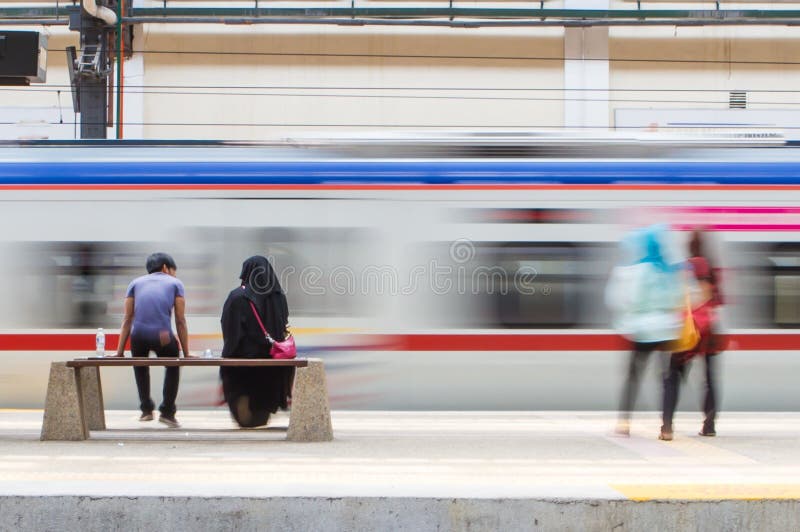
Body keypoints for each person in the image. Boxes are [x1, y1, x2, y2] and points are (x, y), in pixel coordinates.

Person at [606, 225, 683, 436]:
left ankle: (624, 423)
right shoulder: (670, 269)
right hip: (668, 329)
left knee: (633, 375)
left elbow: (626, 299)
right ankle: (667, 427)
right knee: (668, 378)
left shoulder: (636, 270)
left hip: (642, 330)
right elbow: (682, 297)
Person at [661, 229, 725, 440]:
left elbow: (675, 297)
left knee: (672, 377)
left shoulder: (684, 268)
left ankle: (667, 427)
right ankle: (709, 425)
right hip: (708, 330)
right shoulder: (712, 268)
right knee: (709, 379)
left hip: (687, 329)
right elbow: (717, 300)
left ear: (689, 246)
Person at [113, 252, 190, 428]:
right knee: (173, 365)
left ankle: (146, 410)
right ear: (165, 267)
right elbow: (180, 320)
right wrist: (186, 353)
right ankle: (167, 412)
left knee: (140, 367)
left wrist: (119, 352)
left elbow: (127, 319)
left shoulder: (135, 283)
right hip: (162, 336)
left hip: (138, 336)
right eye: (173, 270)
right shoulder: (176, 283)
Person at [220, 255, 294, 428]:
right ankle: (262, 412)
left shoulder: (237, 296)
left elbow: (228, 327)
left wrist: (231, 350)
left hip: (242, 358)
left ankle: (243, 406)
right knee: (268, 377)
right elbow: (283, 325)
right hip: (271, 359)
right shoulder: (279, 297)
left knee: (230, 371)